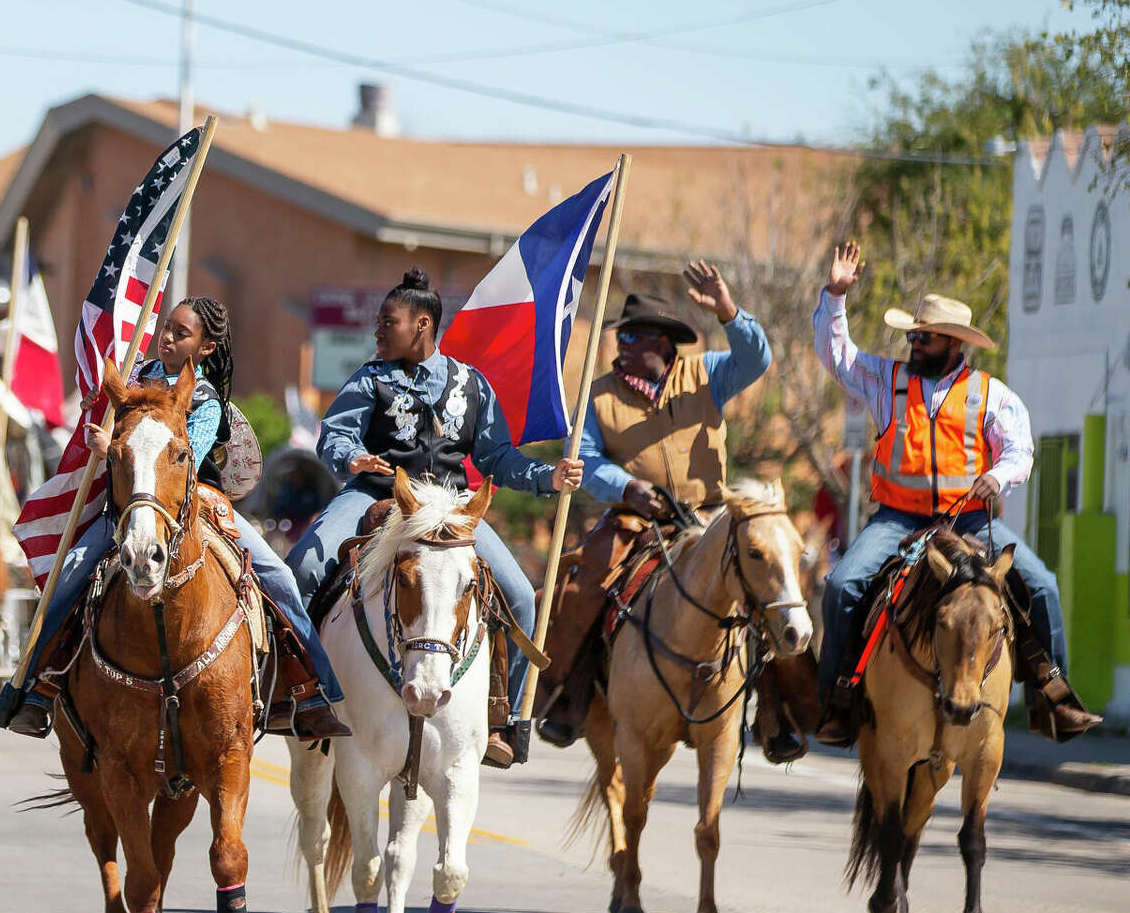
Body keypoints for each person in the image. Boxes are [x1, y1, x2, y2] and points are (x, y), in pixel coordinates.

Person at [0, 297, 352, 741]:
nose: (166, 338)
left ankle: (309, 690)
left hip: (198, 503)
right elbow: (106, 416)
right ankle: (36, 685)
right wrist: (96, 404)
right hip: (129, 506)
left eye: (181, 334)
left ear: (206, 348)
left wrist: (117, 451)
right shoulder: (134, 377)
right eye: (166, 328)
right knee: (68, 576)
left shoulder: (205, 398)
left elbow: (183, 461)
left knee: (277, 575)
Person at [287, 269, 584, 768]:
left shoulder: (472, 385)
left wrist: (546, 477)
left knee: (518, 597)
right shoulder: (370, 379)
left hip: (449, 507)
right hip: (375, 495)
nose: (378, 331)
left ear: (421, 325)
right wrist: (351, 457)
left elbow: (496, 458)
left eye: (388, 322)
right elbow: (334, 435)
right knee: (303, 567)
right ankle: (303, 693)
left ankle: (503, 720)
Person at [812, 240, 1100, 745]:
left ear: (954, 344)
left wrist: (1000, 475)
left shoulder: (992, 394)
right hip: (896, 520)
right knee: (842, 585)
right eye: (914, 336)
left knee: (1045, 584)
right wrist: (835, 296)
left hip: (965, 520)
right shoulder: (886, 379)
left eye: (925, 338)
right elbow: (837, 358)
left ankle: (1052, 700)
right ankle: (838, 698)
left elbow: (1020, 450)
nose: (915, 344)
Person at [530, 265, 789, 756]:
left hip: (711, 514)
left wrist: (728, 311)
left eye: (635, 336)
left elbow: (757, 358)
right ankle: (566, 693)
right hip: (637, 517)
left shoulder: (706, 374)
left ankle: (779, 711)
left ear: (665, 342)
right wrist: (627, 487)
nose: (622, 344)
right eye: (621, 336)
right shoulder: (598, 393)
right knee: (584, 582)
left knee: (773, 580)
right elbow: (584, 458)